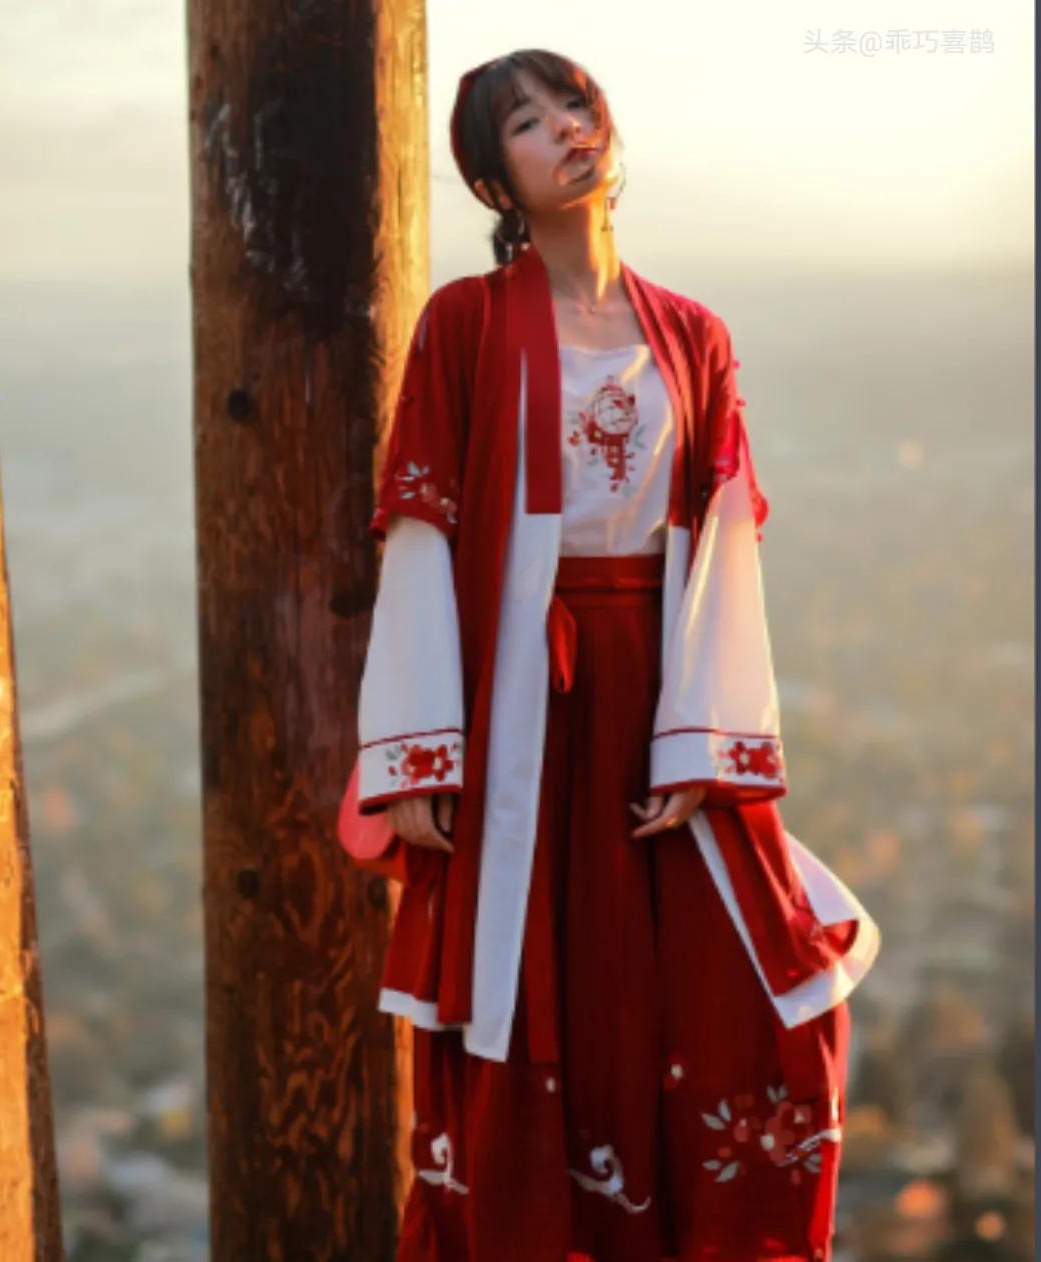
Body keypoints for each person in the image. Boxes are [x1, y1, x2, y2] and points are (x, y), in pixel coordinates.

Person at [349, 48, 881, 1262]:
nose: (567, 129)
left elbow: (725, 539)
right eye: (528, 123)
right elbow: (422, 523)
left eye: (575, 104)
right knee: (543, 979)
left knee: (741, 976)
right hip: (521, 700)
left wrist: (705, 739)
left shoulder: (691, 332)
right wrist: (423, 751)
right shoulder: (466, 322)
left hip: (660, 687)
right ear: (495, 183)